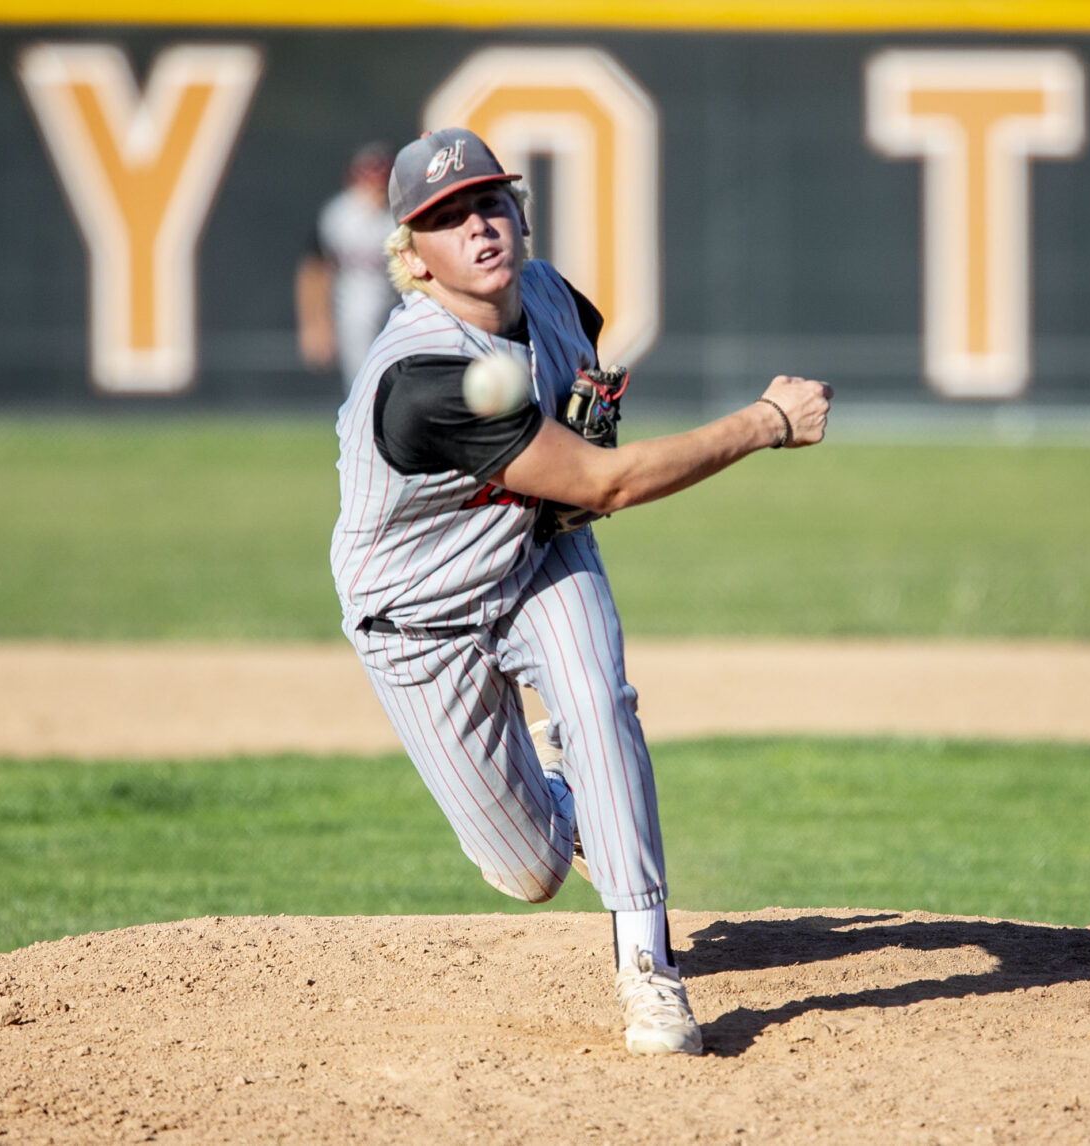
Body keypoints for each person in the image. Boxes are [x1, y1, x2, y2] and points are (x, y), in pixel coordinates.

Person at [330, 127, 832, 1056]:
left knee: (601, 701)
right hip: (417, 618)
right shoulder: (422, 379)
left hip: (532, 557)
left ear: (518, 212)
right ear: (413, 256)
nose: (476, 226)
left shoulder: (555, 295)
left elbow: (586, 387)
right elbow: (606, 483)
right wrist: (764, 423)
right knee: (529, 871)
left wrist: (579, 428)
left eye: (488, 202)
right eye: (444, 219)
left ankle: (649, 970)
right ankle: (569, 802)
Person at [295, 142, 399, 391]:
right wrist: (315, 325)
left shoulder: (400, 216)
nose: (373, 186)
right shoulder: (338, 215)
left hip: (399, 313)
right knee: (362, 387)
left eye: (379, 177)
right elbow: (314, 270)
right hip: (351, 316)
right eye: (367, 177)